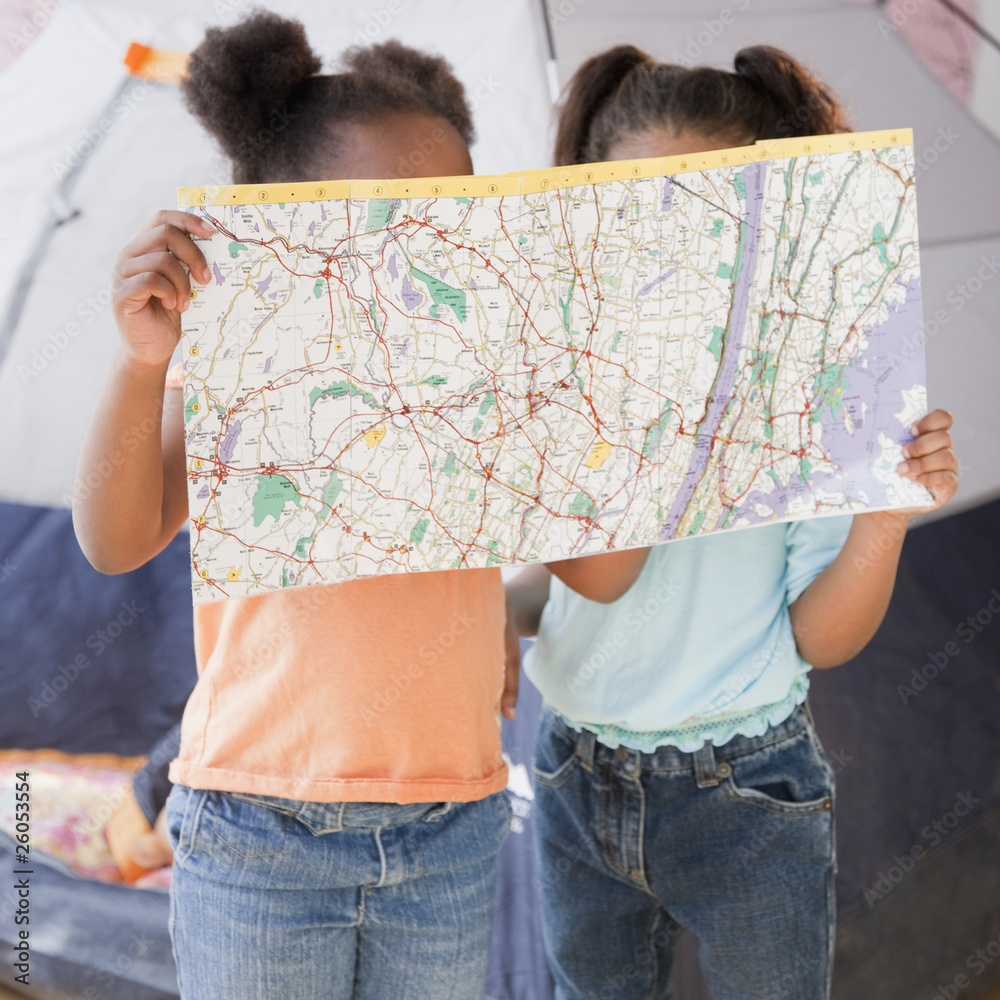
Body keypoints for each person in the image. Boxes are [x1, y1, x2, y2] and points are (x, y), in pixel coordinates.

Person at [71, 13, 646, 1000]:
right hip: (257, 828)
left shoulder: (493, 372)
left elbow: (603, 571)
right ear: (281, 234)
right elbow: (115, 541)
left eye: (449, 217)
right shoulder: (235, 357)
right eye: (387, 221)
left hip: (451, 829)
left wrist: (602, 403)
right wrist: (142, 362)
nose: (421, 255)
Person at [505, 44, 959, 1000]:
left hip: (750, 789)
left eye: (716, 219)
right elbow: (581, 582)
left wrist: (881, 517)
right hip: (573, 770)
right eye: (645, 218)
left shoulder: (818, 388)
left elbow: (821, 637)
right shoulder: (562, 373)